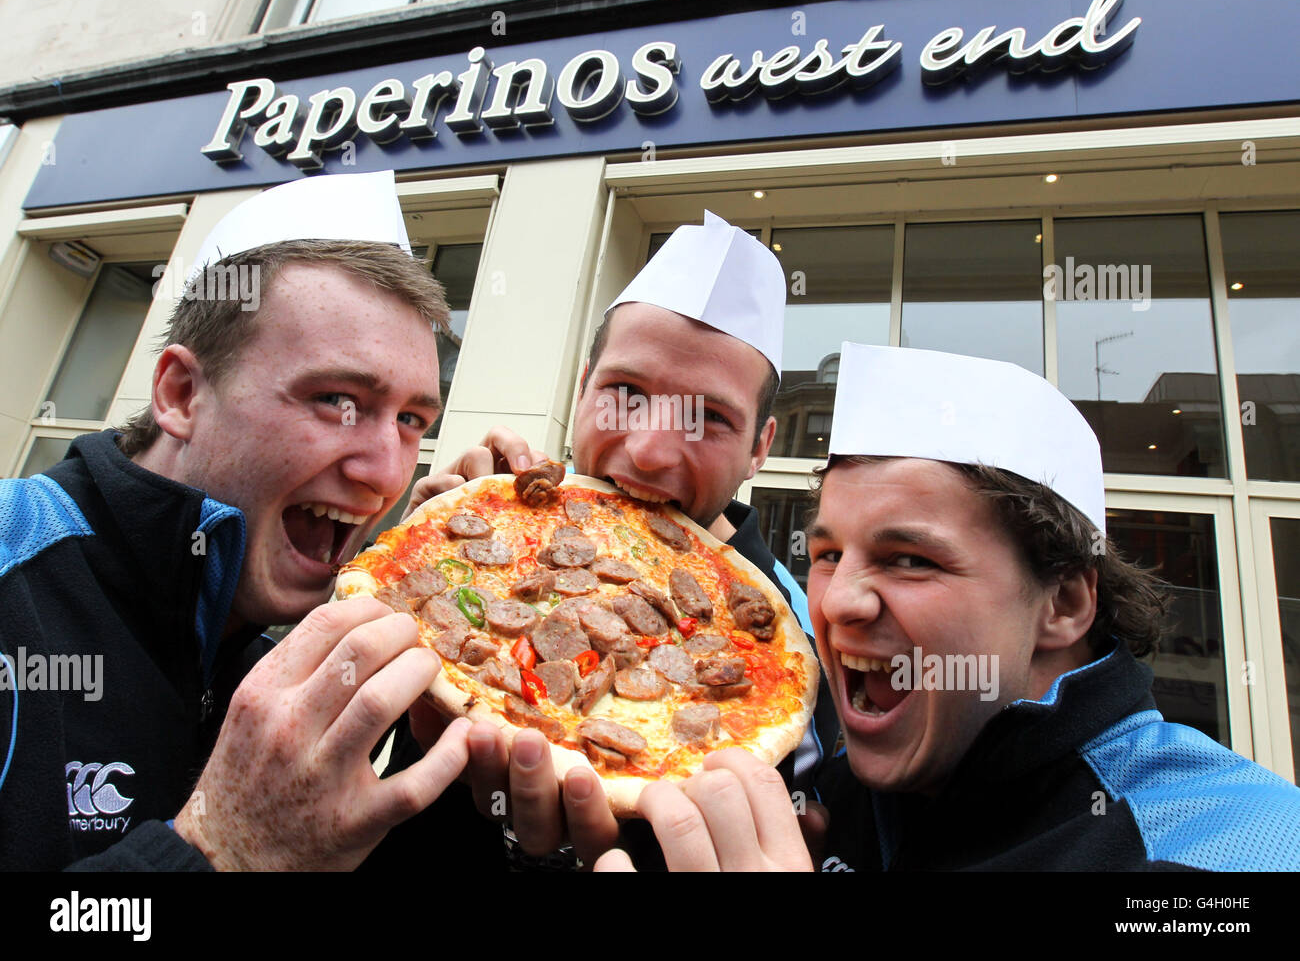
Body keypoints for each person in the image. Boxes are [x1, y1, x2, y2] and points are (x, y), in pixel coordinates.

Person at [595, 343, 1300, 871]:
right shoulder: (829, 799)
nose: (836, 603)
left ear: (1064, 603)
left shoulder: (1234, 841)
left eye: (911, 560)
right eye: (830, 553)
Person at [0, 171, 472, 870]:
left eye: (410, 420)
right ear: (182, 393)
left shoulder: (265, 658)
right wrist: (216, 852)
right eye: (337, 399)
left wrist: (444, 754)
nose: (383, 473)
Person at [374, 212, 839, 868]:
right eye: (624, 391)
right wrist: (426, 579)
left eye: (707, 418)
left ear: (761, 448)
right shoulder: (482, 512)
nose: (648, 450)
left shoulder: (790, 646)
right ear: (584, 383)